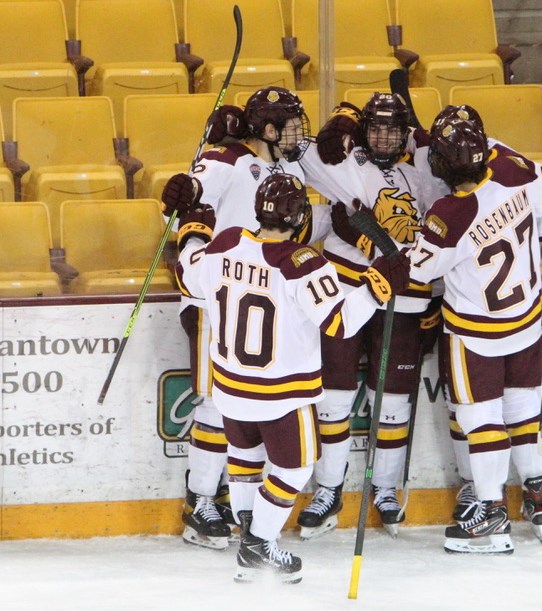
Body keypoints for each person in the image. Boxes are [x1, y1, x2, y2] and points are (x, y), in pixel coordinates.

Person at [169, 172, 410, 582]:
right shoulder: (303, 263)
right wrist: (377, 286)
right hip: (282, 393)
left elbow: (185, 271)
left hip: (230, 387)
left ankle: (251, 536)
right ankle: (259, 545)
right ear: (299, 218)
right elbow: (340, 322)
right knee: (295, 470)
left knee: (245, 461)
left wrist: (192, 228)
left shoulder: (225, 243)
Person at [404, 118, 542, 553]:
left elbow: (419, 270)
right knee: (524, 412)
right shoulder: (515, 178)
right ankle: (538, 486)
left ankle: (491, 513)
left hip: (474, 333)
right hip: (524, 322)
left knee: (480, 422)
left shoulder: (449, 213)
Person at [291, 92, 438, 539]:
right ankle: (329, 489)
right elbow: (301, 150)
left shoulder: (422, 176)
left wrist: (435, 299)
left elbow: (443, 229)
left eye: (394, 129)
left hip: (404, 297)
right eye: (375, 127)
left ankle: (387, 489)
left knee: (391, 402)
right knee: (333, 398)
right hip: (344, 291)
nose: (384, 136)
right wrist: (341, 117)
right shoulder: (345, 161)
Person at [174, 86, 313, 550]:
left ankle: (239, 507)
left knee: (238, 413)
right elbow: (187, 201)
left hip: (261, 302)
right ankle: (200, 504)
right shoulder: (226, 160)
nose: (299, 132)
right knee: (216, 406)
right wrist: (180, 191)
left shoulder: (284, 166)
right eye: (290, 124)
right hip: (216, 301)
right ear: (268, 130)